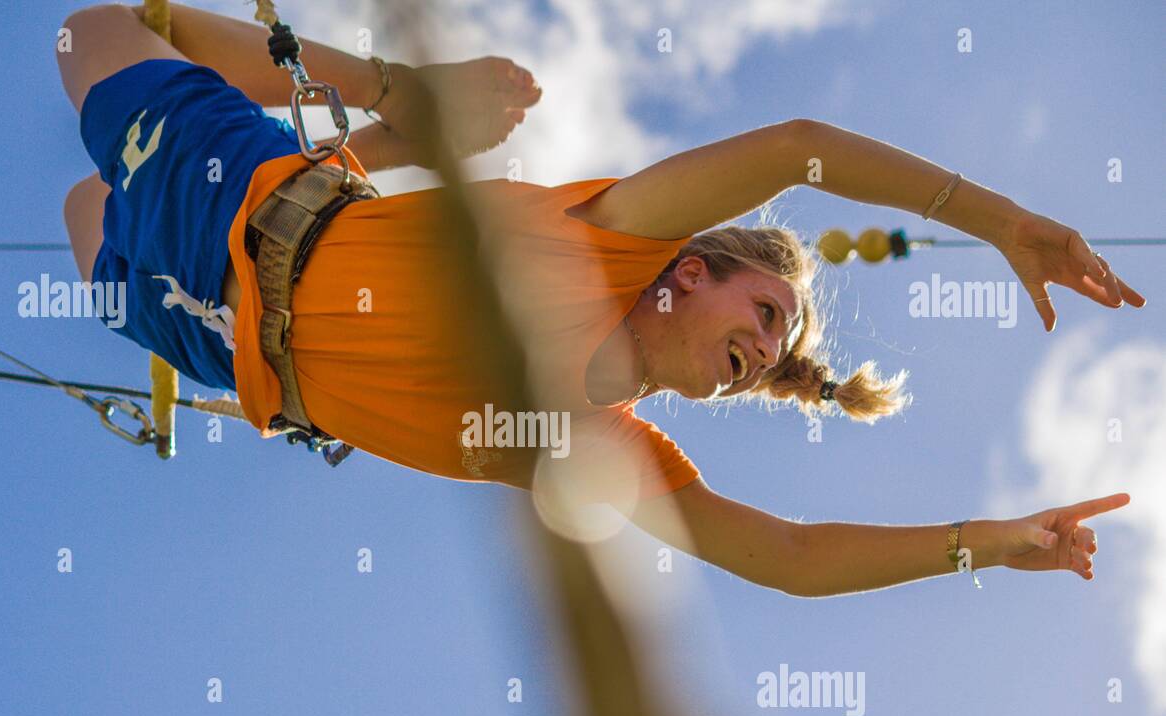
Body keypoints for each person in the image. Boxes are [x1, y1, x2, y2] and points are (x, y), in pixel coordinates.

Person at [57, 2, 1140, 595]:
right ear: (689, 270)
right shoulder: (609, 244)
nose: (768, 349)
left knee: (80, 214)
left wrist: (985, 542)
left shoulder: (606, 452)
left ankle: (389, 142)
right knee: (91, 32)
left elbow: (794, 559)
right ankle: (400, 104)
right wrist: (997, 217)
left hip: (219, 343)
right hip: (237, 194)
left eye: (778, 347)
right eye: (767, 312)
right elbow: (800, 149)